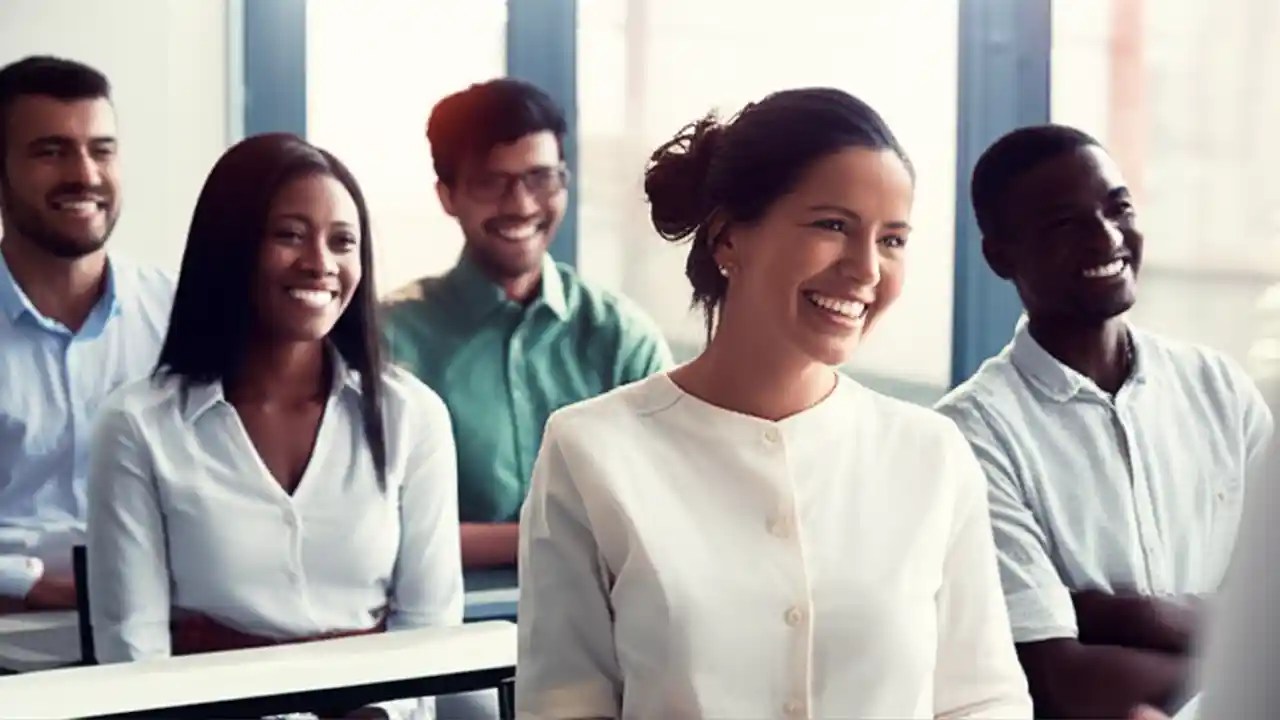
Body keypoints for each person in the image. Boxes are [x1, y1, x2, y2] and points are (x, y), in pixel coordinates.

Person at [515, 88, 1033, 719]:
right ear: (729, 240)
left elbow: (982, 700)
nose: (867, 269)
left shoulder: (931, 454)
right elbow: (567, 706)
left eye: (892, 239)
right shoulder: (592, 449)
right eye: (833, 225)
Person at [85, 134, 462, 720]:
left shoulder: (413, 416)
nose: (320, 263)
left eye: (343, 242)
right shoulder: (137, 426)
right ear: (230, 246)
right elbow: (134, 654)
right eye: (289, 235)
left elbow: (431, 625)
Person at [934, 125, 1273, 719]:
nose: (1107, 237)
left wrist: (1124, 614)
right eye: (1066, 223)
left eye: (1119, 208)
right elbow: (1062, 679)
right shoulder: (969, 435)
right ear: (1000, 254)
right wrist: (1243, 664)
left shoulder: (1219, 389)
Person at [382, 78, 672, 570]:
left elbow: (667, 507)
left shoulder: (621, 336)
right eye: (491, 182)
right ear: (447, 195)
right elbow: (374, 530)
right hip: (444, 632)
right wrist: (575, 536)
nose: (520, 204)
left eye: (540, 177)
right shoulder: (386, 339)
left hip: (606, 630)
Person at [0, 55, 173, 612]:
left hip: (166, 629)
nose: (85, 174)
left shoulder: (180, 312)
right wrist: (29, 586)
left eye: (102, 150)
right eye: (51, 151)